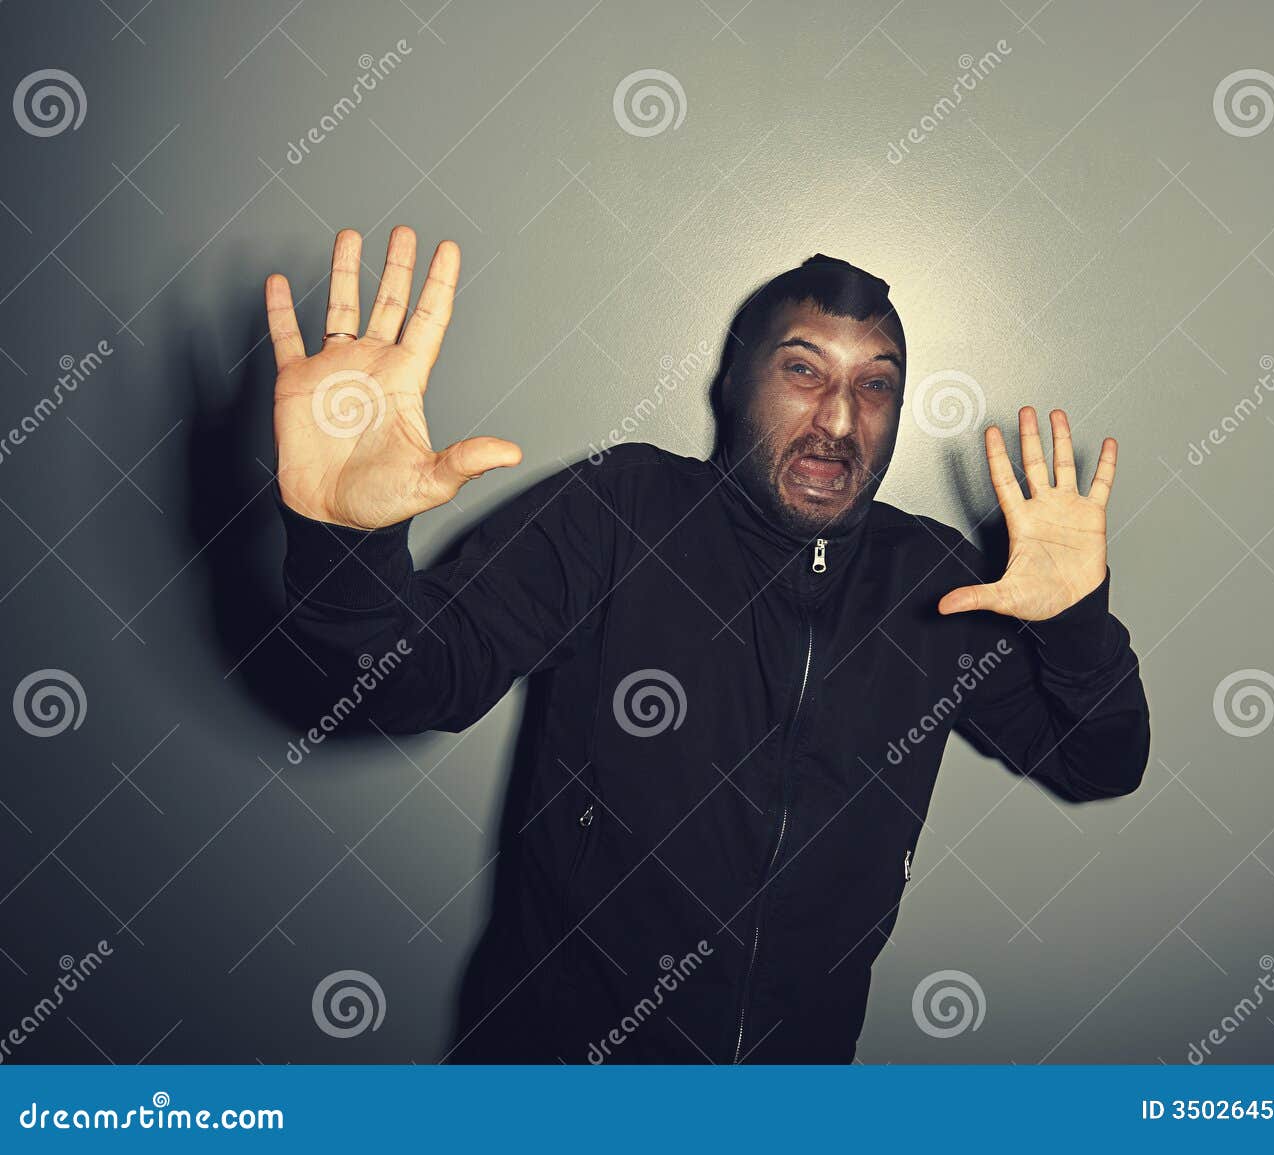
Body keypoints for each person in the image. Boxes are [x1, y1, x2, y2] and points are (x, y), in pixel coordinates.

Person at [266, 226, 1151, 1063]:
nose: (840, 419)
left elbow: (1099, 763)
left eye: (876, 385)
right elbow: (409, 682)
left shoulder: (933, 580)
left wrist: (1078, 626)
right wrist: (345, 546)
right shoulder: (621, 511)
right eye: (803, 369)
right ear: (734, 382)